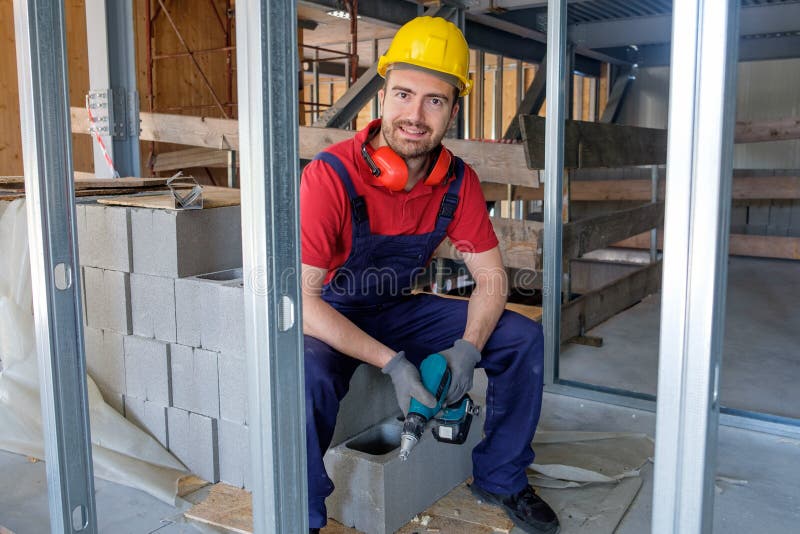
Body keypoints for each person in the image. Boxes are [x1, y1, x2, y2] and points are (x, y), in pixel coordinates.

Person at [300, 16, 559, 534]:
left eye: (434, 100)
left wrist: (468, 346)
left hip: (397, 306)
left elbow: (490, 278)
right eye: (403, 94)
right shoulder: (330, 176)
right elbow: (301, 302)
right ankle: (302, 515)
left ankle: (501, 477)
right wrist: (392, 364)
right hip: (334, 310)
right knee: (305, 375)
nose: (414, 115)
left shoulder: (457, 183)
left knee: (522, 337)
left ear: (454, 109)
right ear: (383, 94)